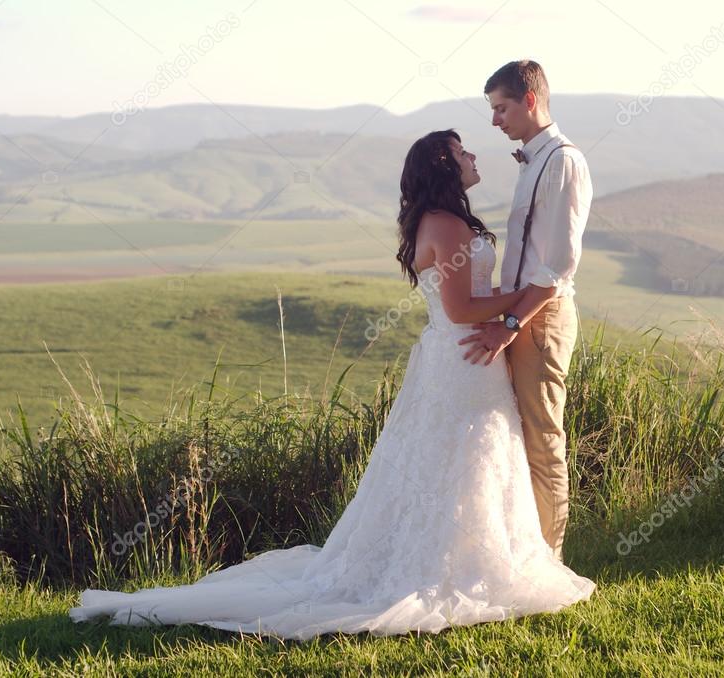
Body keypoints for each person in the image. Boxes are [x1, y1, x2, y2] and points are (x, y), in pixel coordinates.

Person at [68, 129, 595, 641]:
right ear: (443, 166)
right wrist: (530, 295)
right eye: (461, 152)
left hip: (451, 359)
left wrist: (515, 300)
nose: (473, 154)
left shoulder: (437, 220)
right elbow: (460, 310)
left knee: (453, 460)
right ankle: (458, 565)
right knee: (469, 455)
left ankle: (458, 556)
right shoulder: (448, 225)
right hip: (465, 357)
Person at [458, 60, 593, 562]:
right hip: (521, 315)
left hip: (542, 318)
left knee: (542, 440)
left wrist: (510, 326)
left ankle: (549, 563)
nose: (495, 120)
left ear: (530, 100)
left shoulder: (561, 161)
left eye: (501, 107)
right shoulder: (533, 160)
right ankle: (519, 554)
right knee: (519, 436)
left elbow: (556, 266)